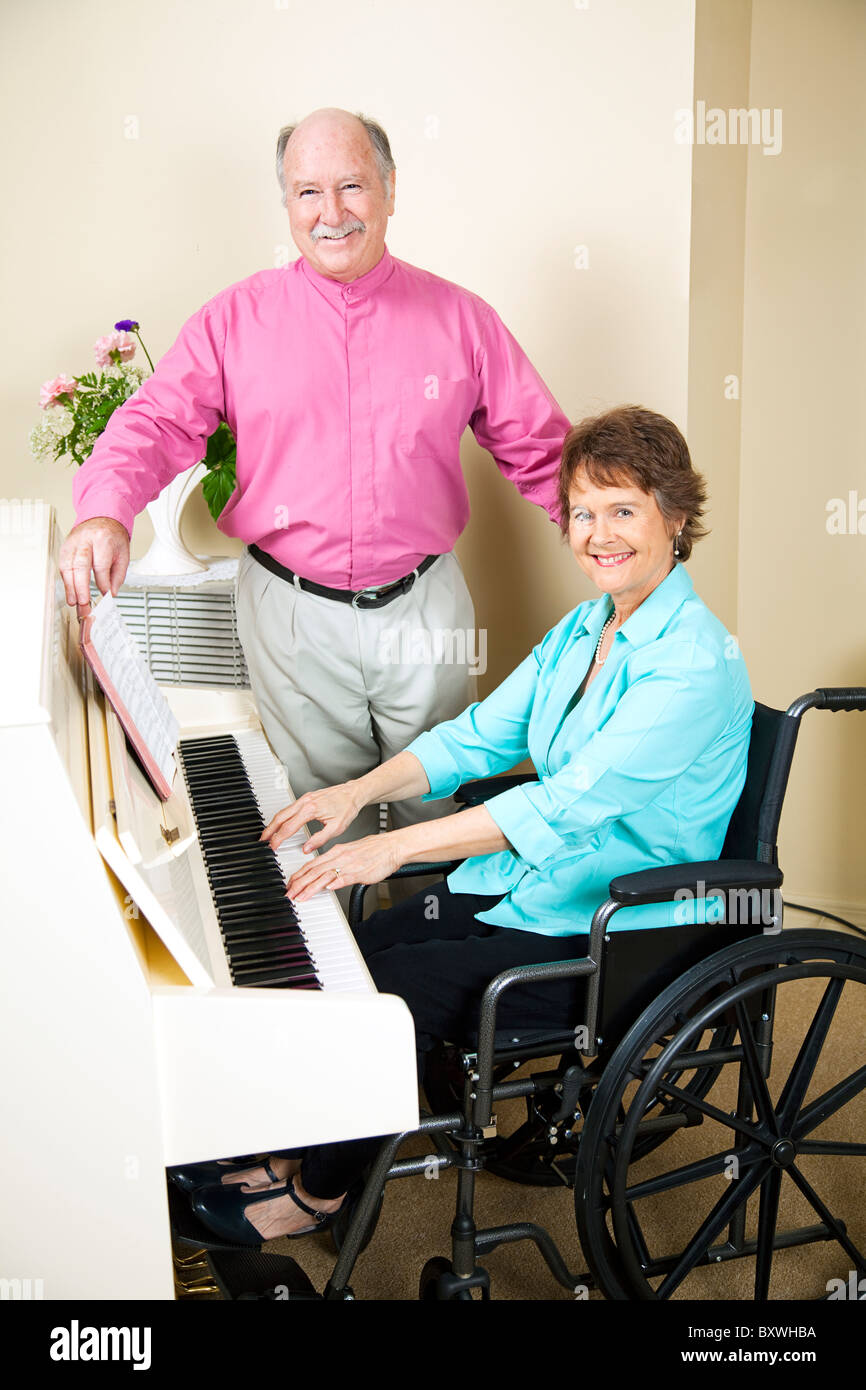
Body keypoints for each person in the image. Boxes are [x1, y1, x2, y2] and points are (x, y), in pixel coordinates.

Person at [173, 405, 755, 1245]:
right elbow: (478, 736)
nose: (597, 534)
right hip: (532, 886)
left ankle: (320, 1192)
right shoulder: (588, 628)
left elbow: (561, 806)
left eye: (622, 510)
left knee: (390, 1001)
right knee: (354, 956)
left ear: (674, 513)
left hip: (616, 925)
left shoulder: (693, 662)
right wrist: (354, 795)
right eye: (581, 513)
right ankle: (299, 1147)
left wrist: (391, 846)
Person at [58, 107, 570, 855]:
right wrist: (105, 511)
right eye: (307, 193)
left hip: (425, 610)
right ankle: (353, 971)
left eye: (353, 186)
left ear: (391, 190)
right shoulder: (234, 320)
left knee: (439, 818)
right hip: (290, 615)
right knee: (323, 827)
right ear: (287, 205)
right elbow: (157, 422)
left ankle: (426, 966)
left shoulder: (464, 319)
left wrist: (623, 543)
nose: (331, 214)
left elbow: (544, 451)